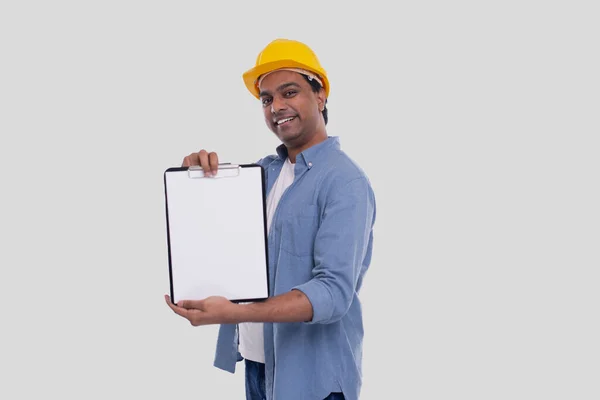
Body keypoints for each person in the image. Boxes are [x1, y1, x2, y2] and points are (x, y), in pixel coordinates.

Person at [165, 38, 376, 400]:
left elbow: (333, 293)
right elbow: (224, 241)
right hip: (258, 368)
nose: (277, 106)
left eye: (289, 92)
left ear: (320, 95)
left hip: (314, 381)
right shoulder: (263, 173)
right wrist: (194, 182)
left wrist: (230, 313)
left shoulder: (345, 181)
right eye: (266, 99)